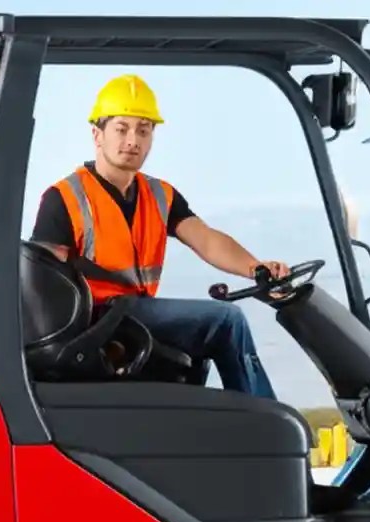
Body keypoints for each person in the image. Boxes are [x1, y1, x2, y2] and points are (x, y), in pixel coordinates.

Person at [28, 73, 289, 399]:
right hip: (97, 321)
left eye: (143, 130)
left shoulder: (160, 195)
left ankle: (226, 419)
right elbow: (43, 284)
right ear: (97, 134)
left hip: (137, 314)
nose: (132, 140)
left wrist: (255, 268)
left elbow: (206, 239)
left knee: (203, 344)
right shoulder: (65, 197)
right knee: (226, 321)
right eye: (121, 129)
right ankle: (262, 418)